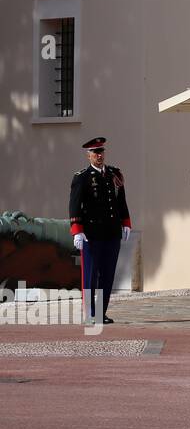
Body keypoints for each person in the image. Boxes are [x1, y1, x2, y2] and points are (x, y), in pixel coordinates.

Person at [69, 137, 131, 324]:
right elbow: (74, 205)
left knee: (107, 274)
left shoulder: (114, 174)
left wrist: (126, 222)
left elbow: (120, 200)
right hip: (91, 235)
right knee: (90, 276)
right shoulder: (82, 177)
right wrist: (77, 230)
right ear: (89, 156)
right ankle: (90, 314)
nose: (99, 156)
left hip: (111, 233)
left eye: (101, 152)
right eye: (95, 153)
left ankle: (100, 314)